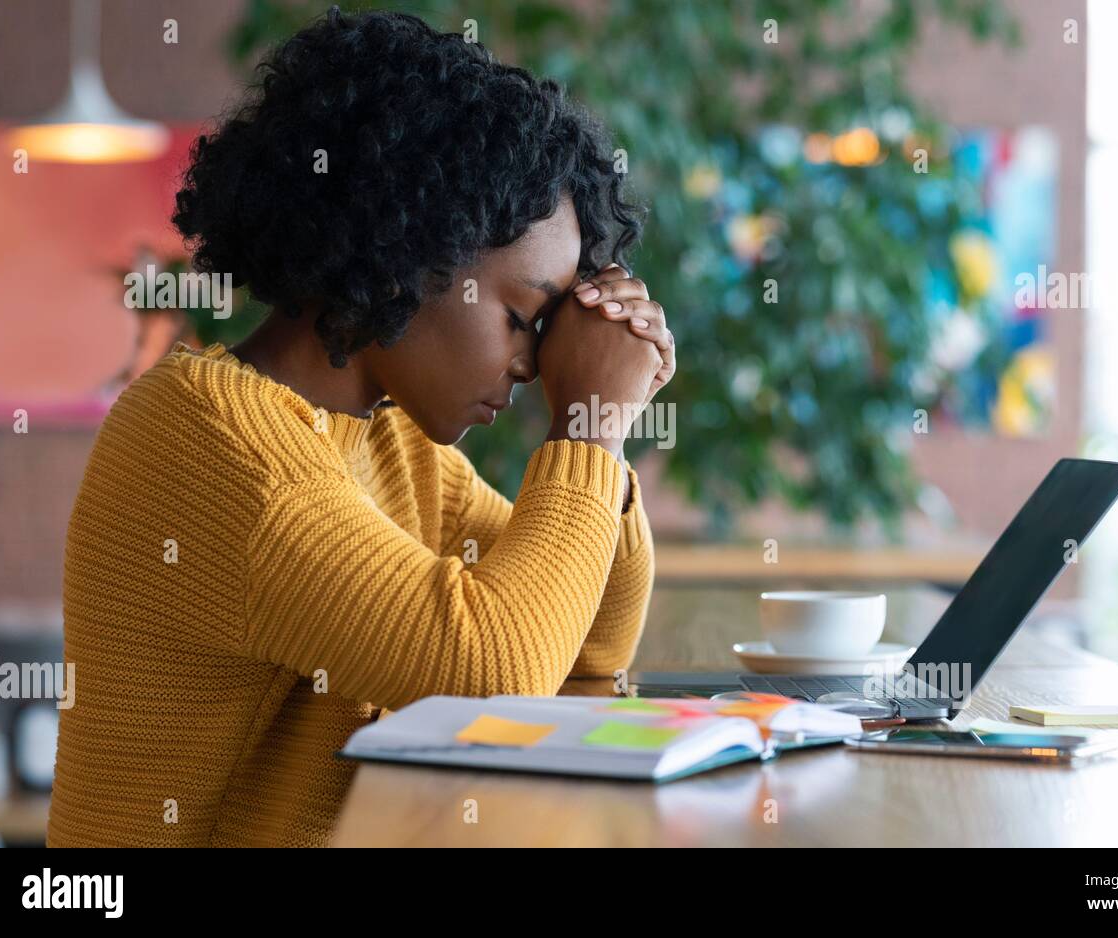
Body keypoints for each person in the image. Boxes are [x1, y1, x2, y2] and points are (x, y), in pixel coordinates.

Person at [48, 7, 674, 847]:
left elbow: (589, 649)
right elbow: (490, 671)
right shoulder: (209, 438)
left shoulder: (390, 442)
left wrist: (604, 423)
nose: (533, 364)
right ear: (407, 252)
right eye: (525, 317)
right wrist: (586, 431)